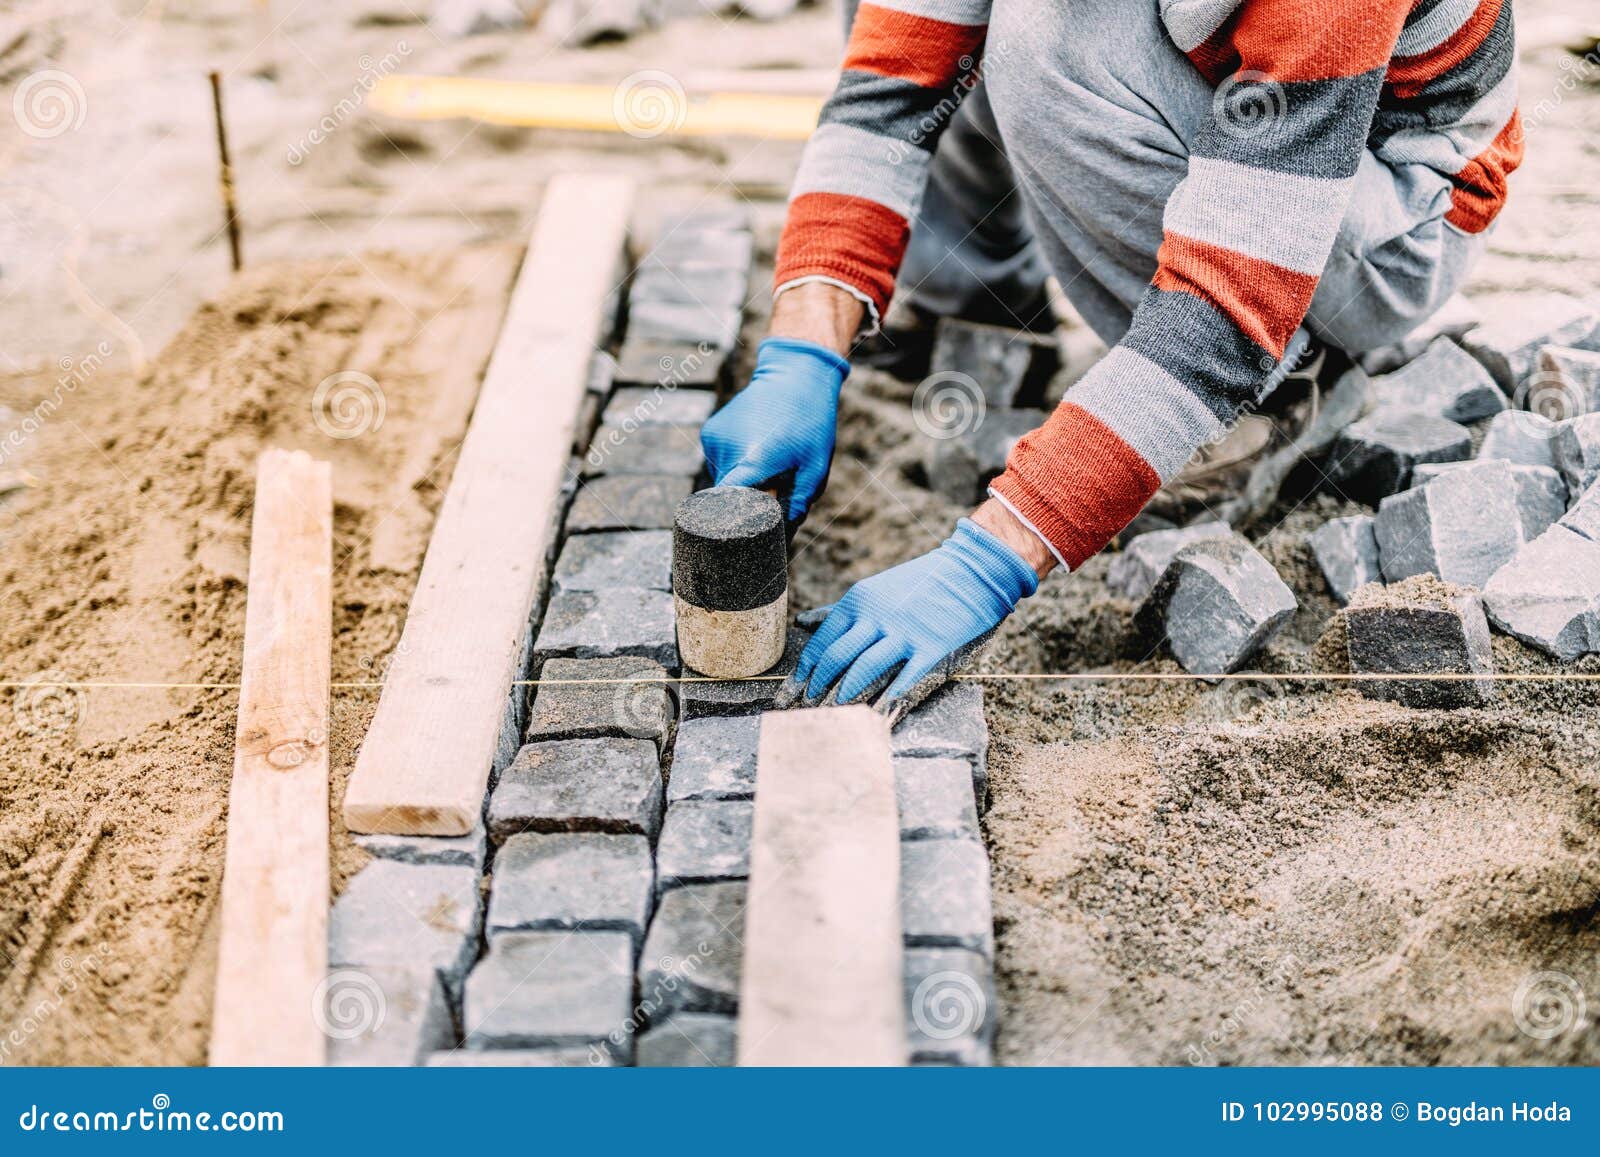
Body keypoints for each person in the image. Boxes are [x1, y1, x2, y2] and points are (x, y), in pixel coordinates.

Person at [700, 0, 1522, 713]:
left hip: (1393, 210)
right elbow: (892, 84)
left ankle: (1275, 389)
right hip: (1260, 110)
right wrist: (803, 345)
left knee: (1043, 38)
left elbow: (1226, 307)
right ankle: (985, 302)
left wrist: (990, 560)